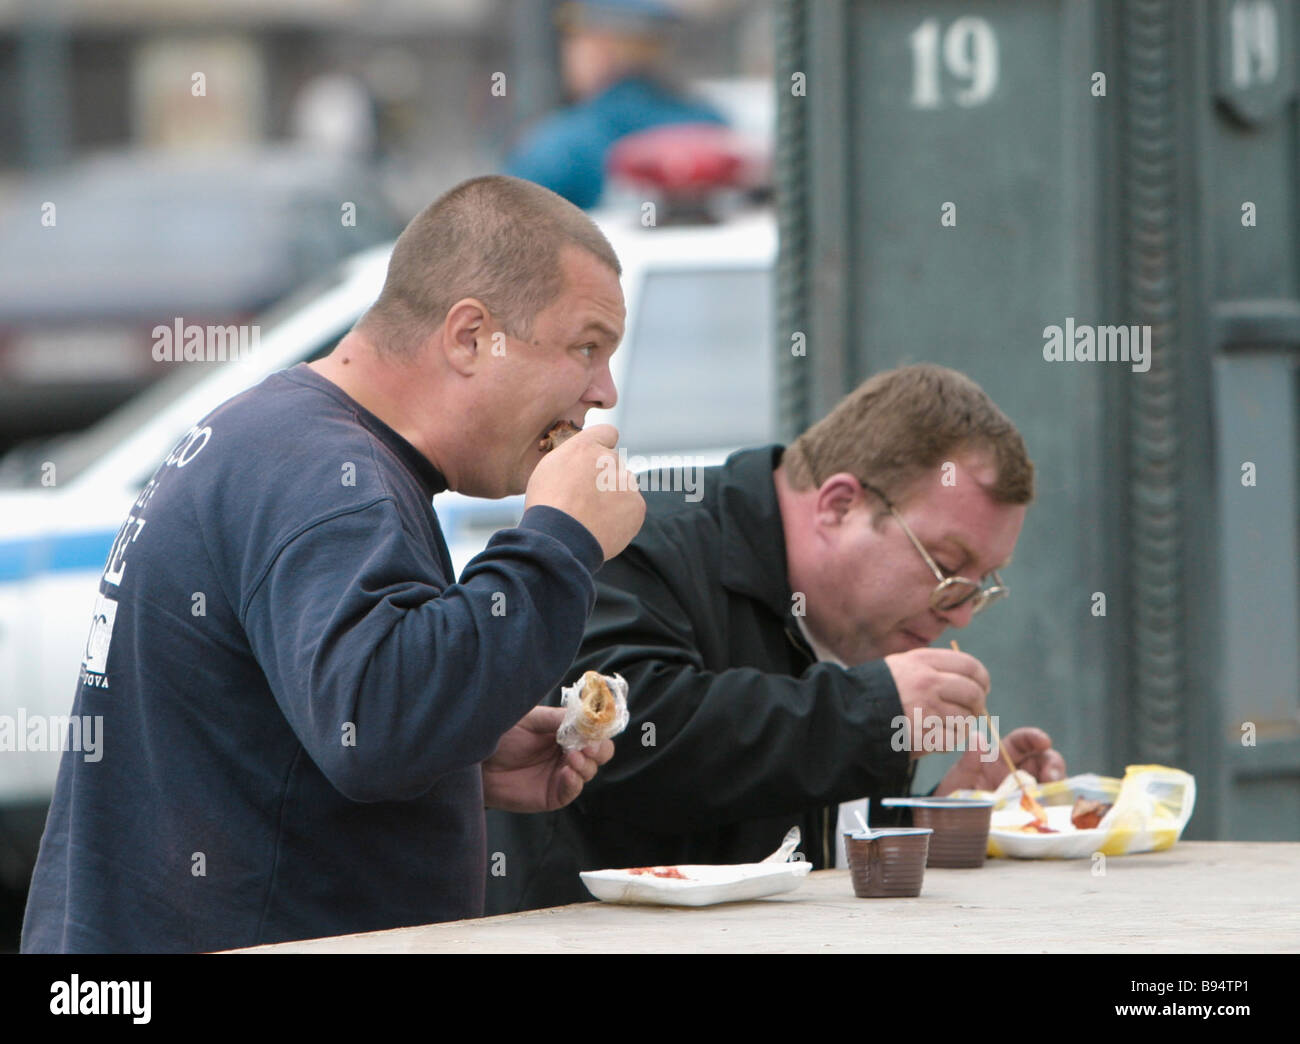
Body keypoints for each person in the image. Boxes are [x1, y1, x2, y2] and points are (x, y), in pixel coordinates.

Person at [21, 175, 645, 952]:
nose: (603, 392)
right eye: (587, 347)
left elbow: (313, 722)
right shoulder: (327, 476)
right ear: (469, 336)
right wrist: (560, 540)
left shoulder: (295, 437)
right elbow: (375, 727)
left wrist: (461, 755)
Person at [486, 364, 1066, 912]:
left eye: (980, 587)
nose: (960, 614)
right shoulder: (636, 534)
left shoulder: (848, 622)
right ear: (839, 505)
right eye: (946, 568)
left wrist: (930, 818)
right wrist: (869, 713)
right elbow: (625, 741)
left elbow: (786, 837)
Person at [504, 0, 726, 208]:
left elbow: (507, 234)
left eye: (574, 40)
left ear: (601, 46)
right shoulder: (712, 125)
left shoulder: (559, 144)